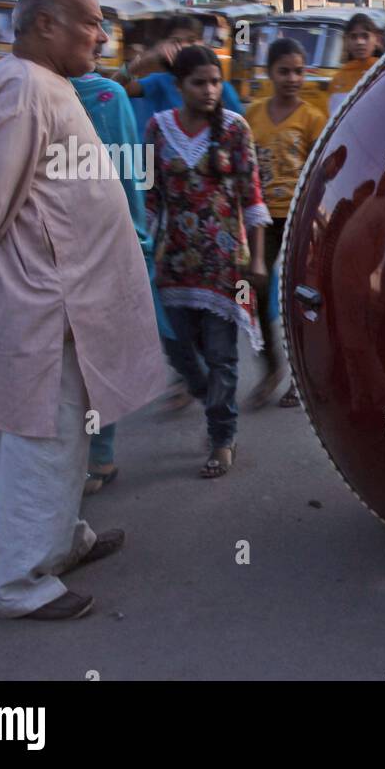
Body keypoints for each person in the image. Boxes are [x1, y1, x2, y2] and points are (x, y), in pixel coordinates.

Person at [0, 0, 169, 620]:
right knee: (41, 434)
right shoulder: (21, 85)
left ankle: (62, 540)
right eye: (90, 22)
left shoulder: (36, 82)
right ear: (45, 25)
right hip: (41, 299)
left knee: (60, 432)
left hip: (59, 298)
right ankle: (22, 584)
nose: (100, 35)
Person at [145, 45, 270, 477]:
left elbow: (251, 196)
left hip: (225, 265)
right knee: (179, 351)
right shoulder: (157, 129)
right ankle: (208, 398)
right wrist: (137, 250)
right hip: (173, 262)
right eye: (199, 82)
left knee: (221, 357)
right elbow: (148, 194)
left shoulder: (235, 129)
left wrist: (256, 258)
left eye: (216, 81)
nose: (210, 90)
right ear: (178, 86)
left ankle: (222, 437)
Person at [70, 68, 172, 494]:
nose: (102, 37)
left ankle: (99, 456)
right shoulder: (23, 88)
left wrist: (139, 240)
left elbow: (132, 175)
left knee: (96, 358)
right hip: (42, 254)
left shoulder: (107, 97)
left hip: (102, 247)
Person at [244, 38, 326, 409]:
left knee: (300, 298)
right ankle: (271, 367)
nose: (292, 78)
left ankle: (300, 376)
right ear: (270, 73)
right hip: (262, 219)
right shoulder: (253, 115)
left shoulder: (312, 118)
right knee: (255, 290)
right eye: (284, 71)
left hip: (300, 218)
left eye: (298, 71)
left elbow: (322, 174)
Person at [115, 15, 244, 142]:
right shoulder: (159, 81)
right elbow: (112, 90)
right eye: (176, 41)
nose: (183, 46)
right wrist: (143, 61)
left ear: (203, 44)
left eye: (191, 40)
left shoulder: (222, 88)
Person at [327, 13, 385, 115]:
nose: (360, 42)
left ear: (376, 39)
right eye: (353, 37)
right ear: (346, 41)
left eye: (365, 36)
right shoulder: (338, 80)